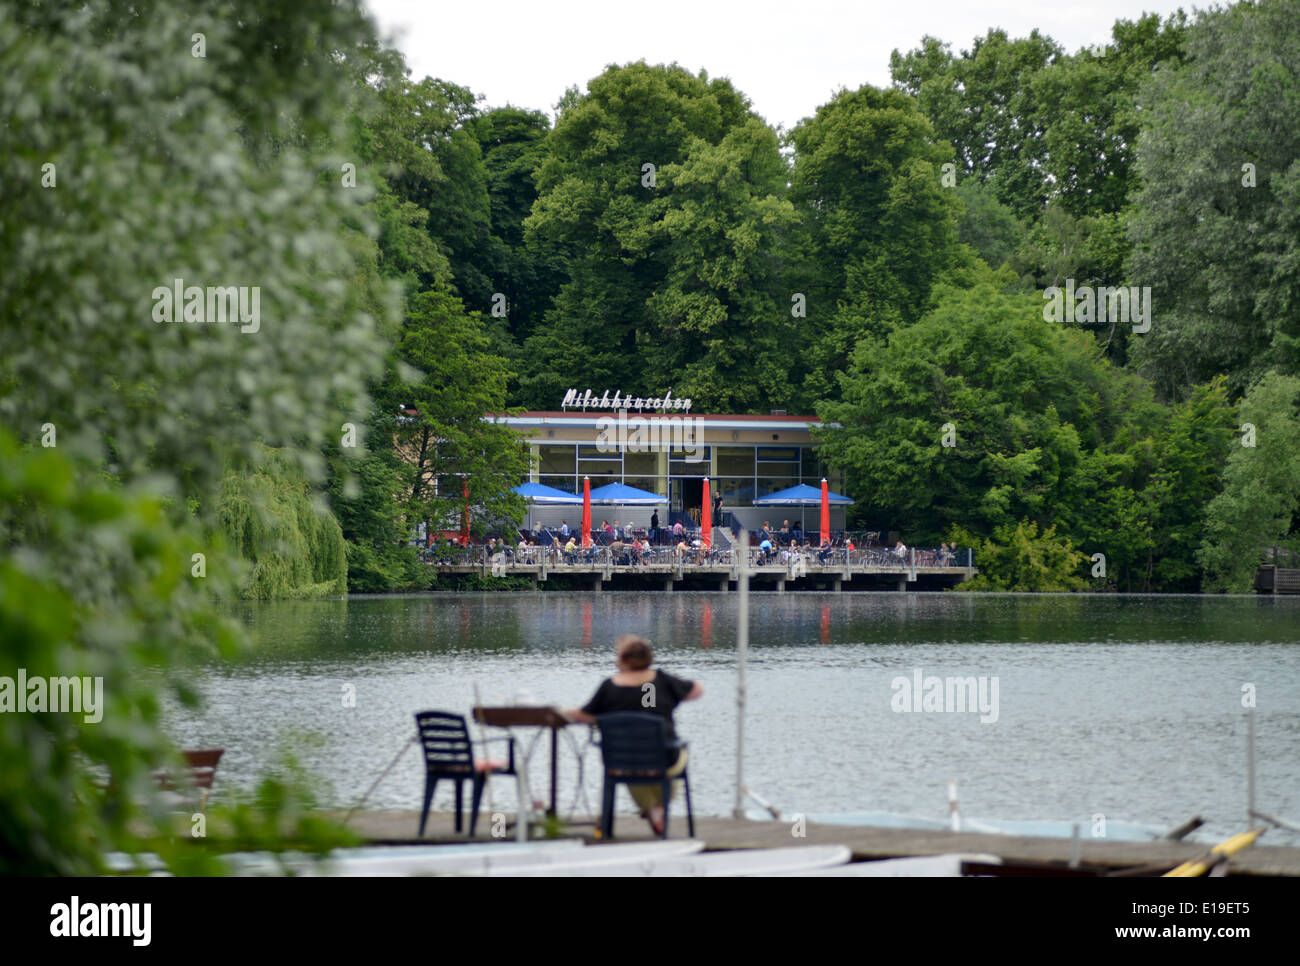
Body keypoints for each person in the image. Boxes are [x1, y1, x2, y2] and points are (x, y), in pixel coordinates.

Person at [564, 635, 703, 836]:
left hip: (622, 761)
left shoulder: (610, 687)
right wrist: (672, 699)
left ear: (622, 659)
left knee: (631, 755)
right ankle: (658, 807)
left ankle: (653, 809)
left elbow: (586, 715)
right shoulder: (660, 682)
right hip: (664, 758)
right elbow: (696, 690)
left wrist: (561, 711)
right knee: (661, 756)